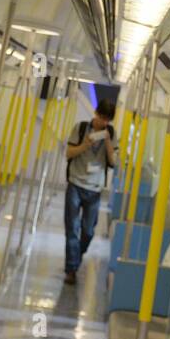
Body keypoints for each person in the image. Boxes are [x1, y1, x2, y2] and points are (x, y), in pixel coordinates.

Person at [62, 99, 116, 284]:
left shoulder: (111, 133)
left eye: (107, 120)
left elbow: (114, 162)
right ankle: (71, 269)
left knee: (88, 231)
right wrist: (84, 145)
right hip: (76, 184)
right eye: (102, 117)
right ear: (96, 113)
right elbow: (68, 153)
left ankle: (76, 256)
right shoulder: (81, 128)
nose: (104, 122)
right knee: (72, 228)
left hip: (94, 188)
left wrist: (108, 141)